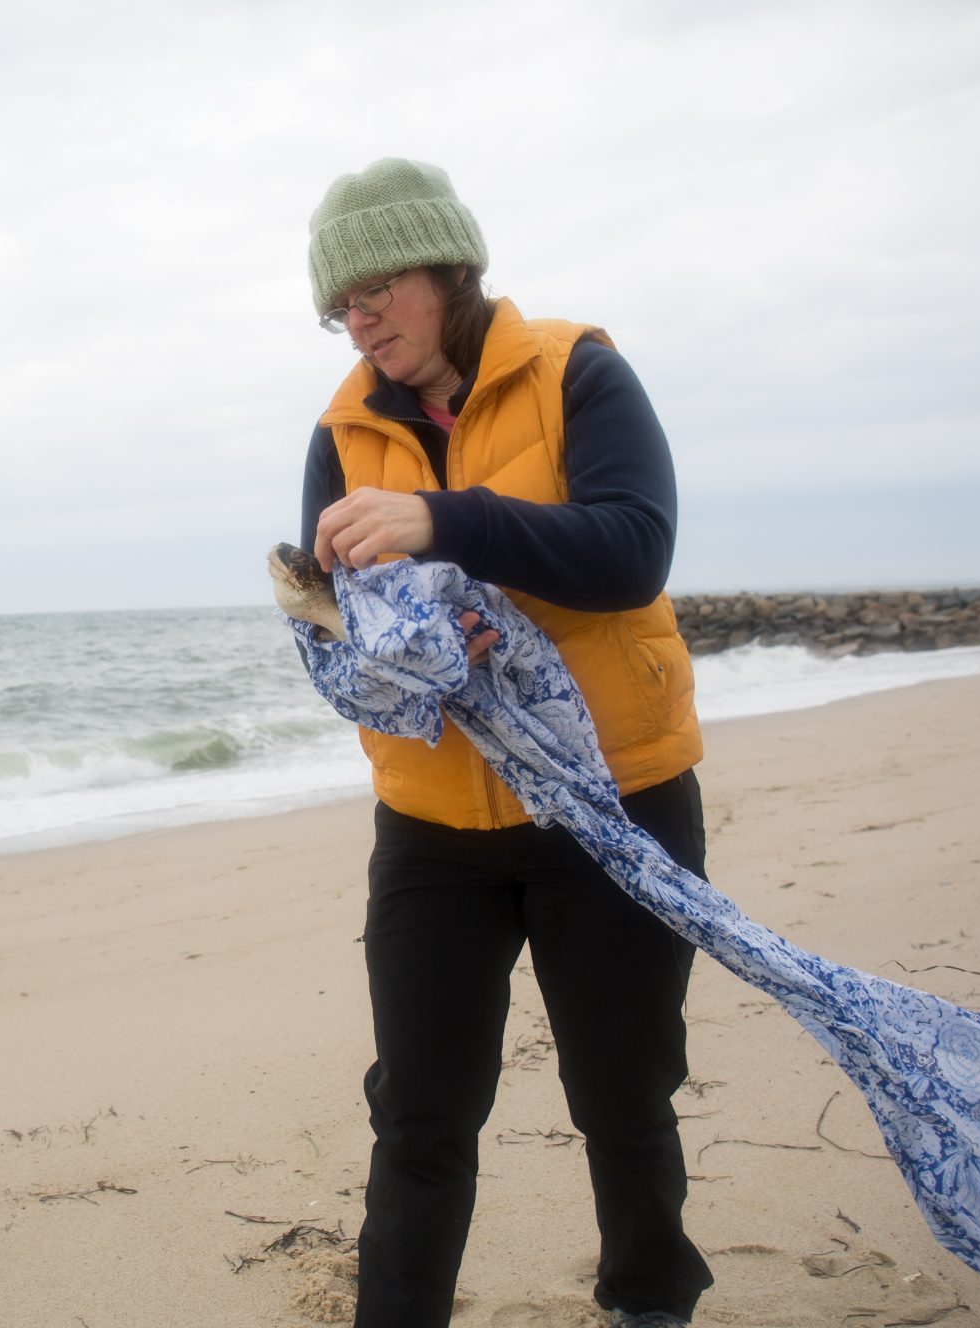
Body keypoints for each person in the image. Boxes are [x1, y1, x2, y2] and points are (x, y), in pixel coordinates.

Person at [298, 158, 714, 1328]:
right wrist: (328, 616)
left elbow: (634, 547)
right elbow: (355, 641)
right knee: (420, 1109)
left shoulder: (577, 368)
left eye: (374, 287)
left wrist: (445, 523)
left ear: (448, 264)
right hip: (434, 822)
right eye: (340, 305)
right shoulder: (340, 429)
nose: (357, 317)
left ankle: (649, 1300)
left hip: (613, 802)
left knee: (623, 1091)